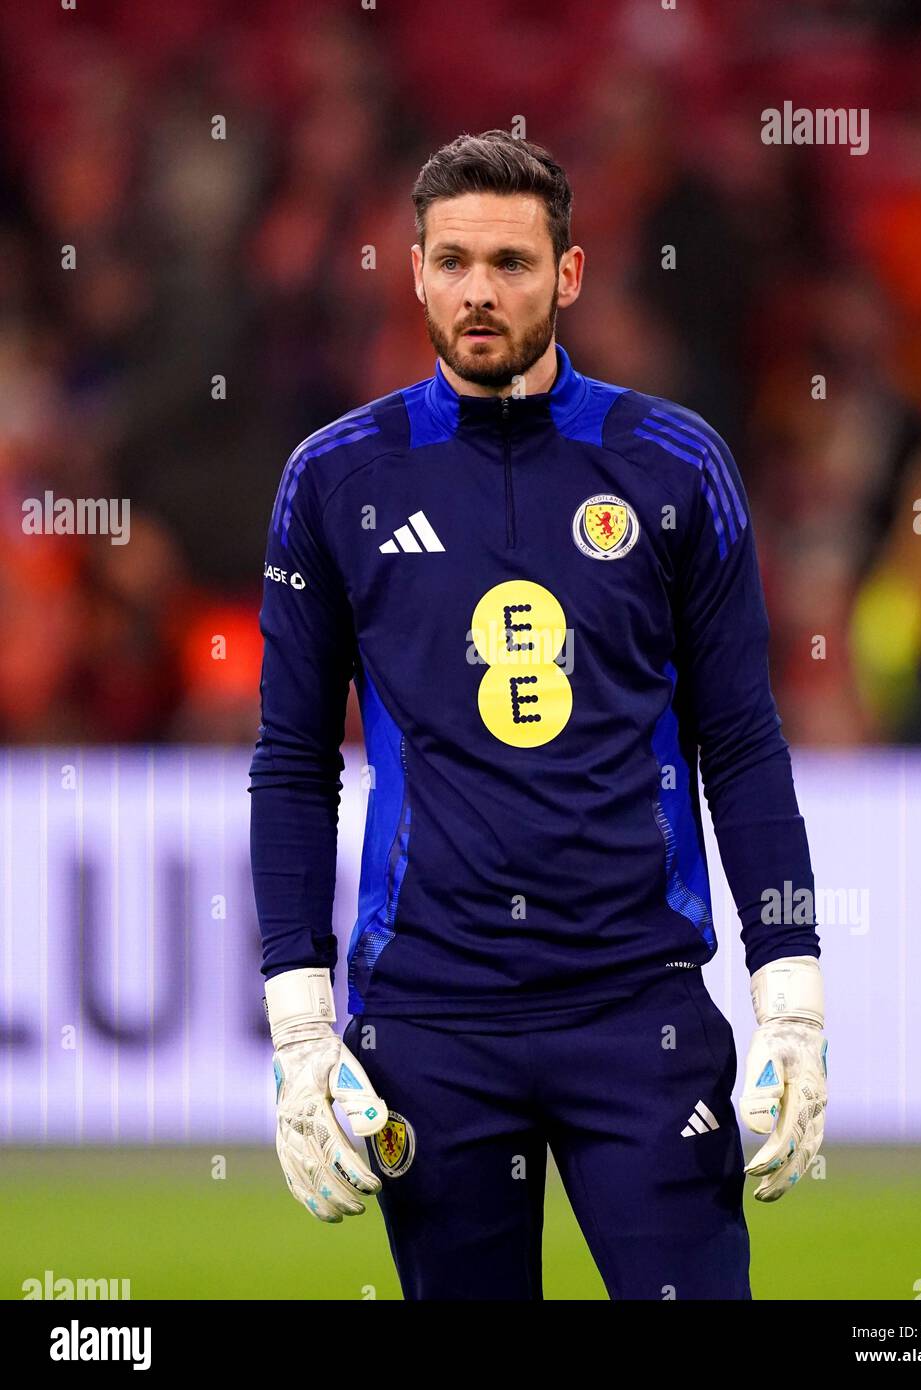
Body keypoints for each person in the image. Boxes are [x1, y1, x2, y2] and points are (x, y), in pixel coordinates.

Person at [249, 130, 827, 1301]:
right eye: (452, 260)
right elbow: (293, 761)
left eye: (509, 263)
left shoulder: (672, 465)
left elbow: (744, 743)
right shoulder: (335, 478)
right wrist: (299, 1021)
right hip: (431, 1021)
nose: (477, 291)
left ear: (566, 274)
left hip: (638, 1012)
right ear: (411, 268)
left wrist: (792, 995)